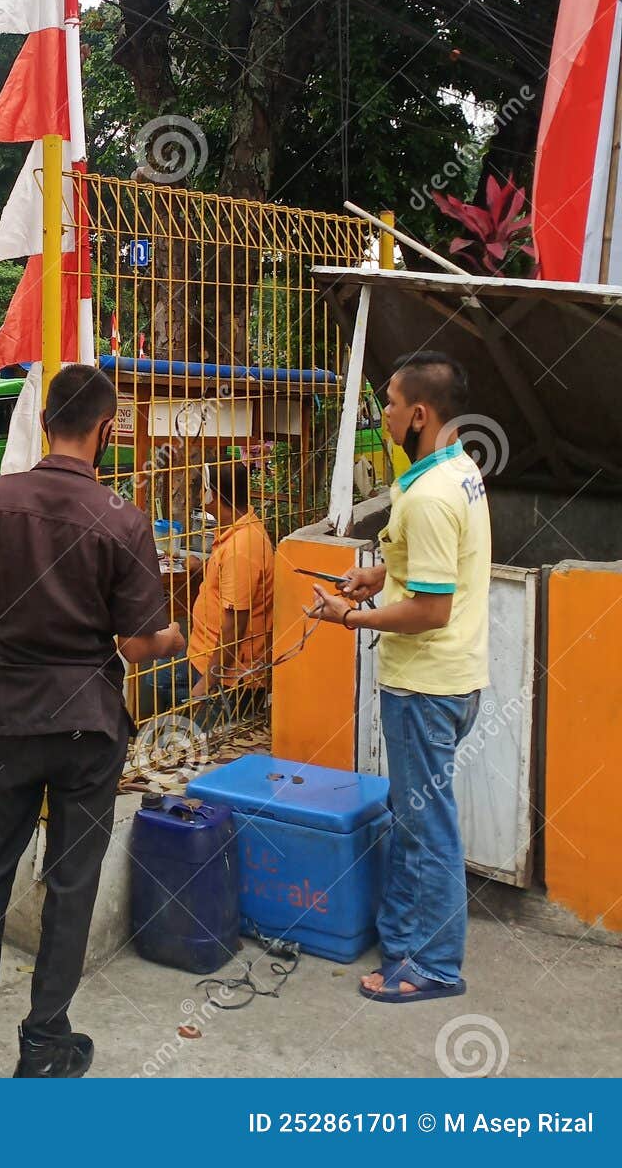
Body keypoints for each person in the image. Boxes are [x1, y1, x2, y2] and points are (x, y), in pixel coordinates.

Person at [0, 365, 184, 1080]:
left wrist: (20, 632)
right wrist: (175, 637)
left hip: (10, 715)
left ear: (43, 420)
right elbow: (136, 643)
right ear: (106, 429)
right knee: (71, 881)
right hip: (89, 725)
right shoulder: (122, 520)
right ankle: (45, 1044)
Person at [310, 351, 490, 1004]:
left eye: (387, 401)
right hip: (446, 681)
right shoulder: (452, 471)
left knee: (428, 830)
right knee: (414, 819)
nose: (380, 412)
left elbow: (433, 607)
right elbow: (428, 569)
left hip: (426, 687)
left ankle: (435, 966)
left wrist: (351, 617)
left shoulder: (436, 494)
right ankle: (406, 946)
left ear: (419, 413)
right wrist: (377, 574)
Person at [136, 459, 274, 725]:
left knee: (163, 689)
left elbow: (235, 625)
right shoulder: (239, 531)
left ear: (210, 493)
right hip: (202, 652)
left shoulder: (241, 549)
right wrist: (203, 567)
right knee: (156, 679)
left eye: (200, 488)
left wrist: (209, 682)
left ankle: (195, 715)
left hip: (225, 669)